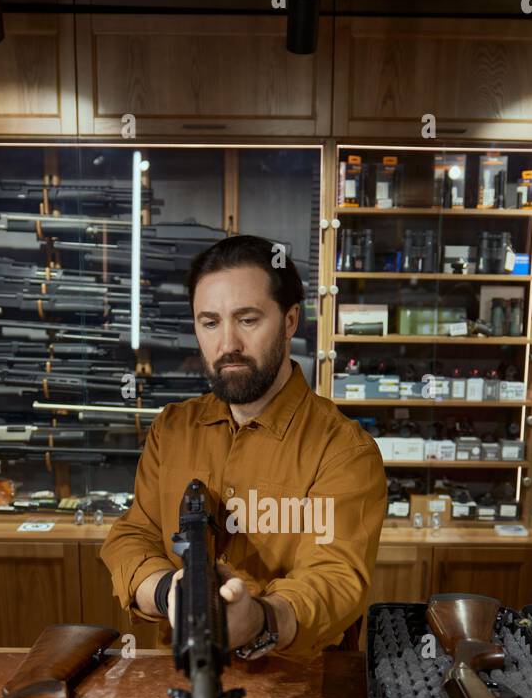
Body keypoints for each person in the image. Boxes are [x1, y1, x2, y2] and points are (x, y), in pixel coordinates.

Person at [100, 234, 387, 661]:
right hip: (177, 674)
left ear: (290, 321)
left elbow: (333, 577)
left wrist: (260, 619)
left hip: (295, 688)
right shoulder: (172, 429)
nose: (227, 344)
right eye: (210, 322)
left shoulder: (344, 450)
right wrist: (168, 591)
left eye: (248, 320)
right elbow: (133, 536)